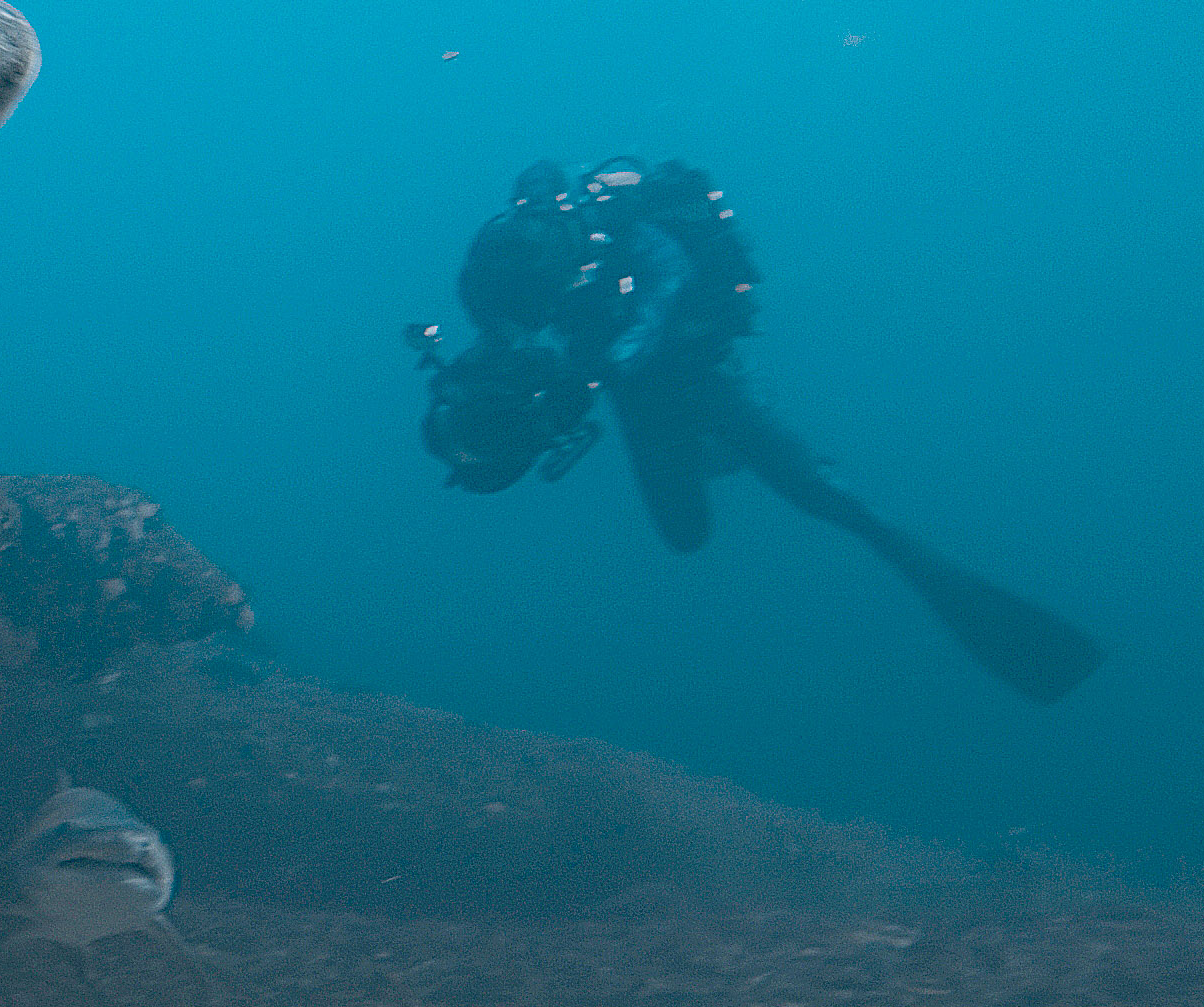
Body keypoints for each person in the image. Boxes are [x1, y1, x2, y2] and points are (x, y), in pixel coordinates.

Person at [410, 158, 1103, 705]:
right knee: (687, 534)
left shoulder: (614, 232)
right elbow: (523, 356)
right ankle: (725, 452)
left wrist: (616, 357)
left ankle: (919, 562)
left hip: (694, 371)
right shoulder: (512, 277)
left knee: (820, 496)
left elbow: (670, 278)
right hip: (643, 393)